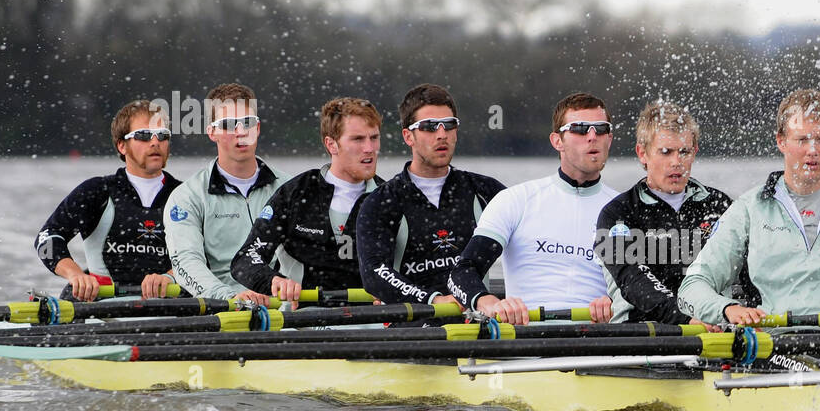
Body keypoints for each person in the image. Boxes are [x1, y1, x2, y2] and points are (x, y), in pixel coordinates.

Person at [676, 89, 820, 325]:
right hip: (770, 345)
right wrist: (727, 309)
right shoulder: (749, 210)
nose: (812, 150)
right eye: (802, 139)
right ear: (781, 141)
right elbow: (691, 288)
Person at [447, 92, 617, 324]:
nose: (592, 136)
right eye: (579, 128)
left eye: (601, 128)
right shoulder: (516, 201)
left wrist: (617, 300)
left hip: (600, 345)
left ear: (610, 138)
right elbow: (462, 271)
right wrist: (490, 302)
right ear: (557, 141)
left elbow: (645, 286)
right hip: (528, 343)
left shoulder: (625, 211)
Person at [594, 100, 747, 325]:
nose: (676, 162)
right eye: (665, 152)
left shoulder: (720, 205)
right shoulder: (617, 214)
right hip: (644, 336)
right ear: (642, 153)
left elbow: (747, 273)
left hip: (714, 332)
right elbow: (633, 281)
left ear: (694, 152)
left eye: (684, 152)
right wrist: (685, 319)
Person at [355, 84, 504, 307]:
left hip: (475, 316)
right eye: (429, 127)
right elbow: (374, 273)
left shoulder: (486, 191)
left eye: (449, 125)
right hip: (415, 322)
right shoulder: (380, 202)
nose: (442, 134)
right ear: (408, 136)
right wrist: (433, 300)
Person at [231, 97, 384, 302]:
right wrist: (274, 281)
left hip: (372, 317)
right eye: (358, 139)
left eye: (374, 138)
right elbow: (245, 260)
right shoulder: (297, 194)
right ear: (331, 144)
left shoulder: (389, 197)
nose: (369, 148)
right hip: (307, 317)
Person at [36, 100, 182, 301]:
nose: (155, 142)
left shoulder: (185, 195)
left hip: (171, 309)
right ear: (122, 146)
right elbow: (47, 238)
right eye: (143, 135)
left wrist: (171, 276)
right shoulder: (97, 191)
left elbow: (209, 255)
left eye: (162, 135)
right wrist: (76, 275)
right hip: (102, 308)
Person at [164, 83, 286, 304]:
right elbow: (186, 262)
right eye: (229, 125)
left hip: (285, 306)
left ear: (257, 128)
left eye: (247, 123)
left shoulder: (289, 189)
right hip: (225, 307)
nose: (241, 132)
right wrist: (228, 297)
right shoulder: (187, 197)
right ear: (212, 132)